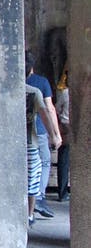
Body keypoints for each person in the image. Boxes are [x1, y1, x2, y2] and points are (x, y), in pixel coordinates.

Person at [25, 51, 60, 217]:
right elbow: (48, 110)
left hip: (13, 141)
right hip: (35, 135)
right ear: (32, 67)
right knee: (41, 165)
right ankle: (37, 201)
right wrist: (55, 134)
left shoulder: (6, 87)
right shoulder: (39, 85)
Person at [55, 65, 70, 201]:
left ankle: (62, 193)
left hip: (66, 126)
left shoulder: (65, 93)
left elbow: (57, 109)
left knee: (64, 161)